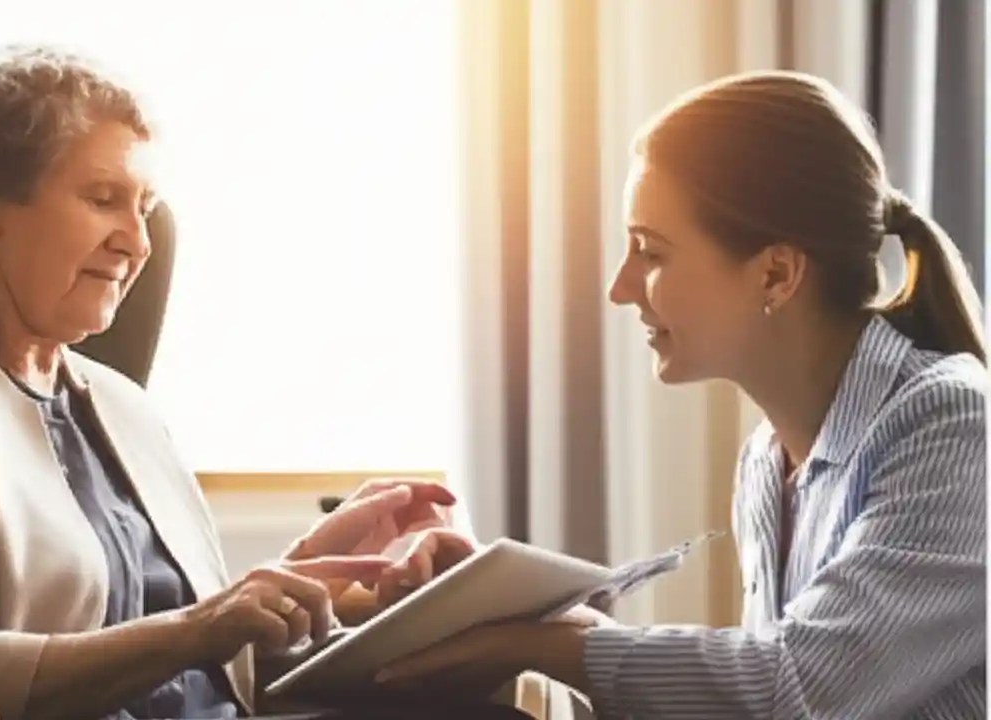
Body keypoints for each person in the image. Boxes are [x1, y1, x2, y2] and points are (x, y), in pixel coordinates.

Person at [0, 45, 489, 720]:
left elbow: (202, 647)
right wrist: (202, 627)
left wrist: (331, 577)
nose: (138, 241)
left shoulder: (120, 405)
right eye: (103, 197)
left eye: (143, 209)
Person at [376, 71, 987, 717]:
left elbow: (800, 689)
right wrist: (499, 611)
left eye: (650, 251)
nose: (621, 286)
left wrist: (539, 646)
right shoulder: (766, 459)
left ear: (776, 273)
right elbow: (765, 684)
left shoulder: (953, 423)